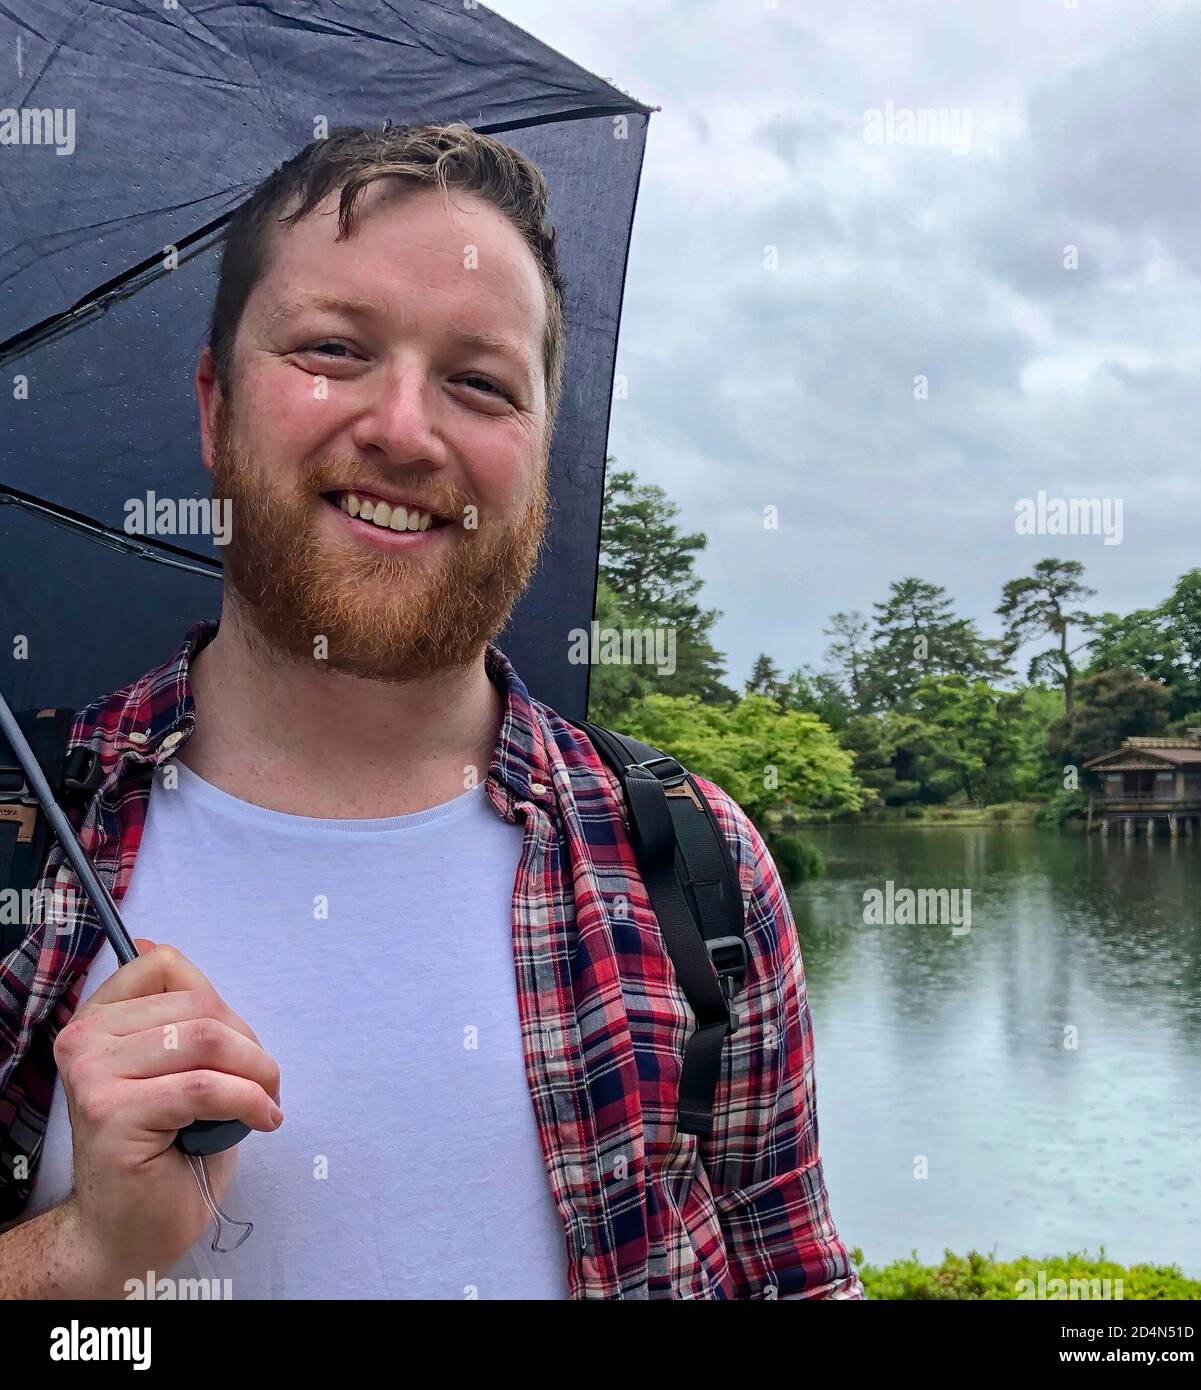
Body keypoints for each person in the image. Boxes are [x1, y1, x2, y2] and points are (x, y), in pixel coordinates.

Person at [0, 122, 862, 1300]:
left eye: (478, 382)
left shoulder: (691, 866)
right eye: (333, 348)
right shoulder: (21, 836)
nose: (404, 431)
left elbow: (798, 1280)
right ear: (212, 411)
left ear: (538, 457)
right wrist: (77, 1251)